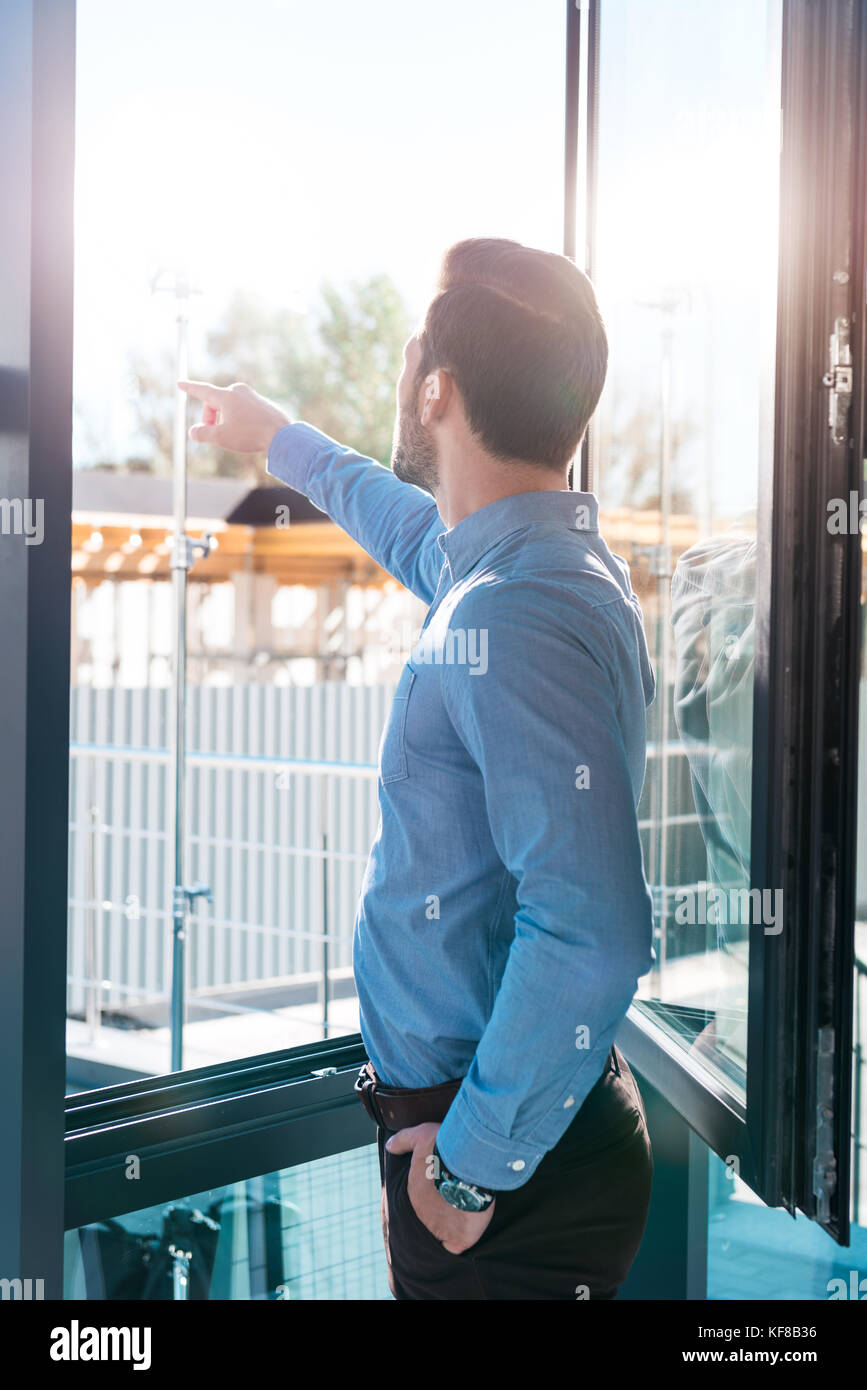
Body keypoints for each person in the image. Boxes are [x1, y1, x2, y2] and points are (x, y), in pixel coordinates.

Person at [179, 237, 655, 1300]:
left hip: (495, 1168)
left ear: (436, 388)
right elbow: (405, 526)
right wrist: (277, 438)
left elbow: (596, 933)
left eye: (408, 354)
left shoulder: (515, 608)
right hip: (515, 1130)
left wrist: (471, 1173)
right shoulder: (525, 566)